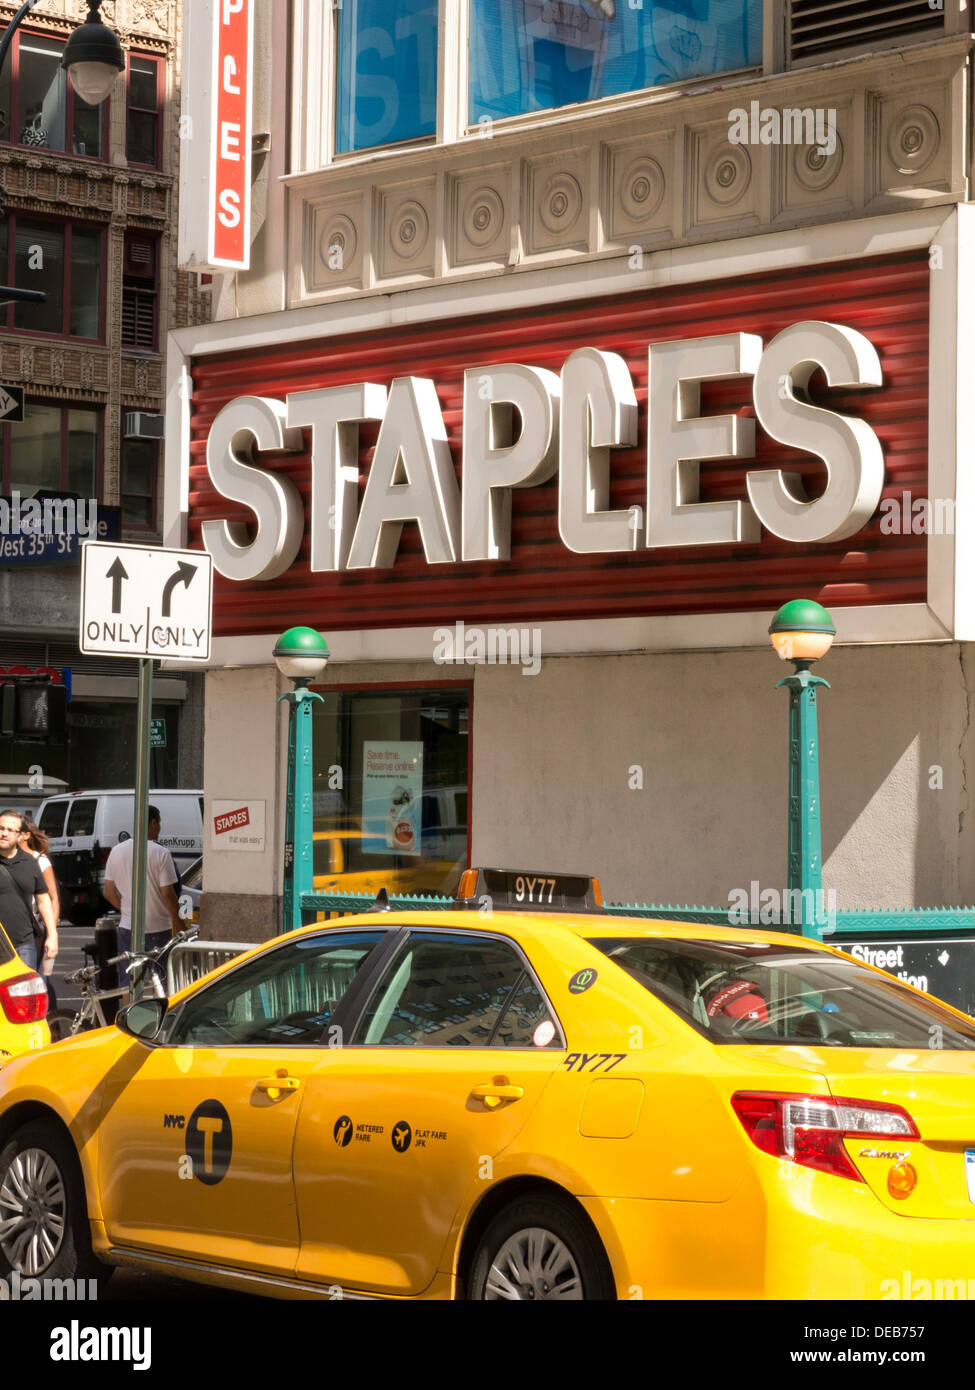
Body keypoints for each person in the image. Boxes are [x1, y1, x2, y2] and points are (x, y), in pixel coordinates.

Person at [103, 804, 181, 957]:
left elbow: (109, 893)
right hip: (159, 929)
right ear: (153, 823)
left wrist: (126, 910)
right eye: (159, 824)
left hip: (127, 928)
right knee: (161, 977)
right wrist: (180, 925)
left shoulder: (116, 851)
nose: (159, 828)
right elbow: (168, 895)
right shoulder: (161, 853)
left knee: (129, 978)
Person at [0, 808, 58, 975]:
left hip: (24, 944)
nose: (4, 833)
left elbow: (43, 900)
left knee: (25, 996)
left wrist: (52, 935)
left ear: (20, 836)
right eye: (1, 828)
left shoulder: (30, 862)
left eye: (10, 830)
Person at [17, 814, 60, 1005]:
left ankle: (51, 1021)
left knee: (40, 980)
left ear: (25, 835)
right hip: (15, 931)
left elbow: (53, 898)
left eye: (12, 830)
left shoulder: (40, 861)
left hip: (37, 931)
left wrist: (52, 933)